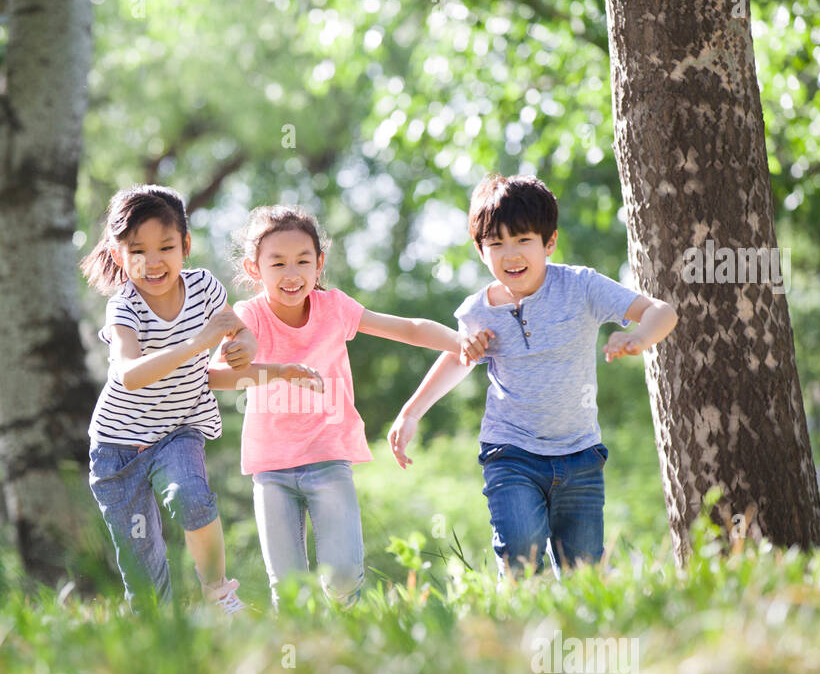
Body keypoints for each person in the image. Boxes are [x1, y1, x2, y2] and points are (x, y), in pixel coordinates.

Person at [387, 173, 678, 578]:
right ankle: (517, 624)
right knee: (520, 550)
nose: (510, 255)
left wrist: (639, 337)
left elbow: (662, 311)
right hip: (511, 453)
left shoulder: (581, 287)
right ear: (480, 250)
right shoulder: (477, 310)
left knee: (584, 574)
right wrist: (411, 412)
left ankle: (574, 636)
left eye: (523, 240)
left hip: (580, 455)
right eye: (496, 244)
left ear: (549, 242)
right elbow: (457, 358)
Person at [209, 204, 461, 608]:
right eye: (277, 263)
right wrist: (277, 372)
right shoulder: (247, 316)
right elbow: (216, 376)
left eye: (303, 261)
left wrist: (465, 342)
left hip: (328, 456)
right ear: (254, 268)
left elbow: (408, 328)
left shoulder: (334, 309)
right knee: (289, 589)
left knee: (343, 576)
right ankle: (297, 659)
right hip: (271, 468)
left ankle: (347, 646)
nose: (292, 274)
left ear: (319, 263)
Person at [81, 184, 256, 613]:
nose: (154, 261)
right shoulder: (124, 308)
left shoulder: (204, 288)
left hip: (179, 430)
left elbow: (238, 329)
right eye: (137, 250)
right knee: (145, 568)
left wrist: (245, 345)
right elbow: (130, 374)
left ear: (186, 245)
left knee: (190, 496)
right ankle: (156, 633)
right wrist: (199, 343)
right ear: (119, 254)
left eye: (166, 247)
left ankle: (219, 595)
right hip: (117, 449)